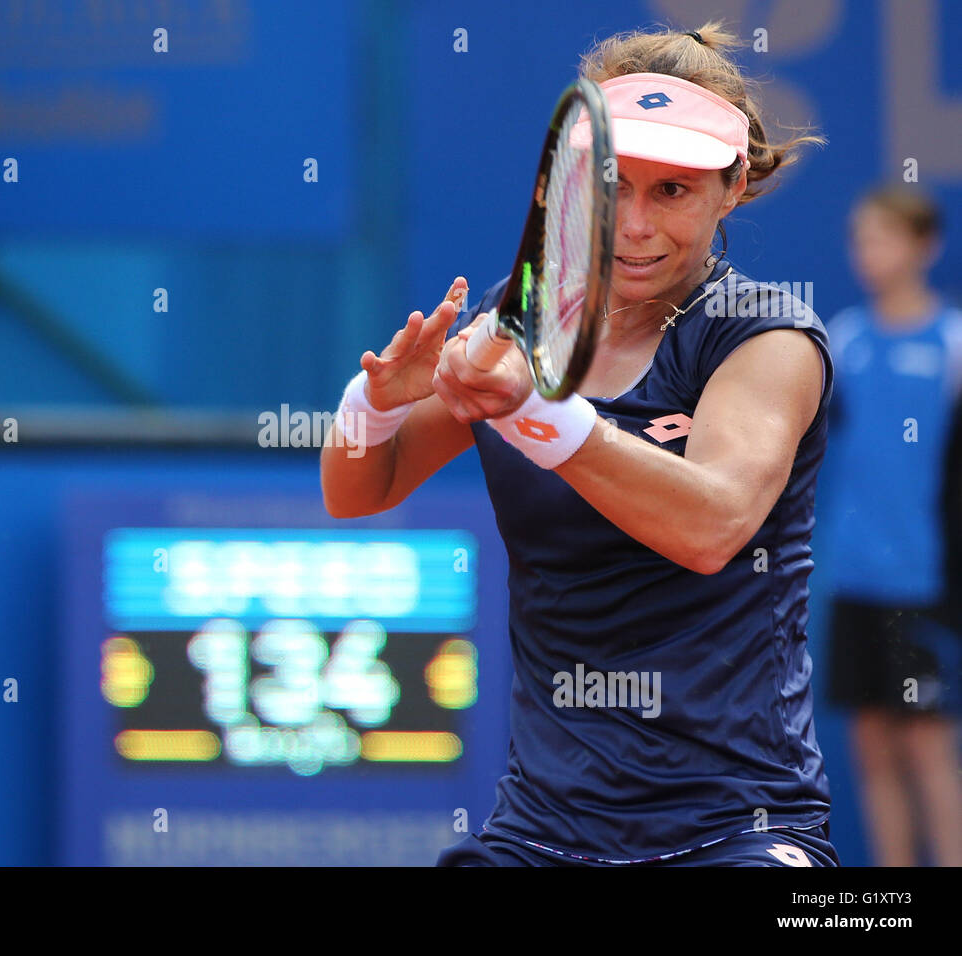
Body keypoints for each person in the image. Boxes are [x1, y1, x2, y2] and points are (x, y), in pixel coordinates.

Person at [321, 22, 837, 866]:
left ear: (732, 186)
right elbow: (357, 492)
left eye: (672, 191)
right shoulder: (519, 318)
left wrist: (540, 413)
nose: (634, 224)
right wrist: (371, 403)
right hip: (540, 832)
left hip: (738, 829)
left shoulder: (765, 336)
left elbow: (712, 526)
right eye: (613, 186)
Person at [822, 186, 962, 867]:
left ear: (924, 248)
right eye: (861, 240)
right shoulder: (843, 341)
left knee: (928, 746)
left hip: (926, 582)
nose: (868, 255)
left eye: (884, 239)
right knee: (872, 746)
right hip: (855, 578)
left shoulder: (955, 345)